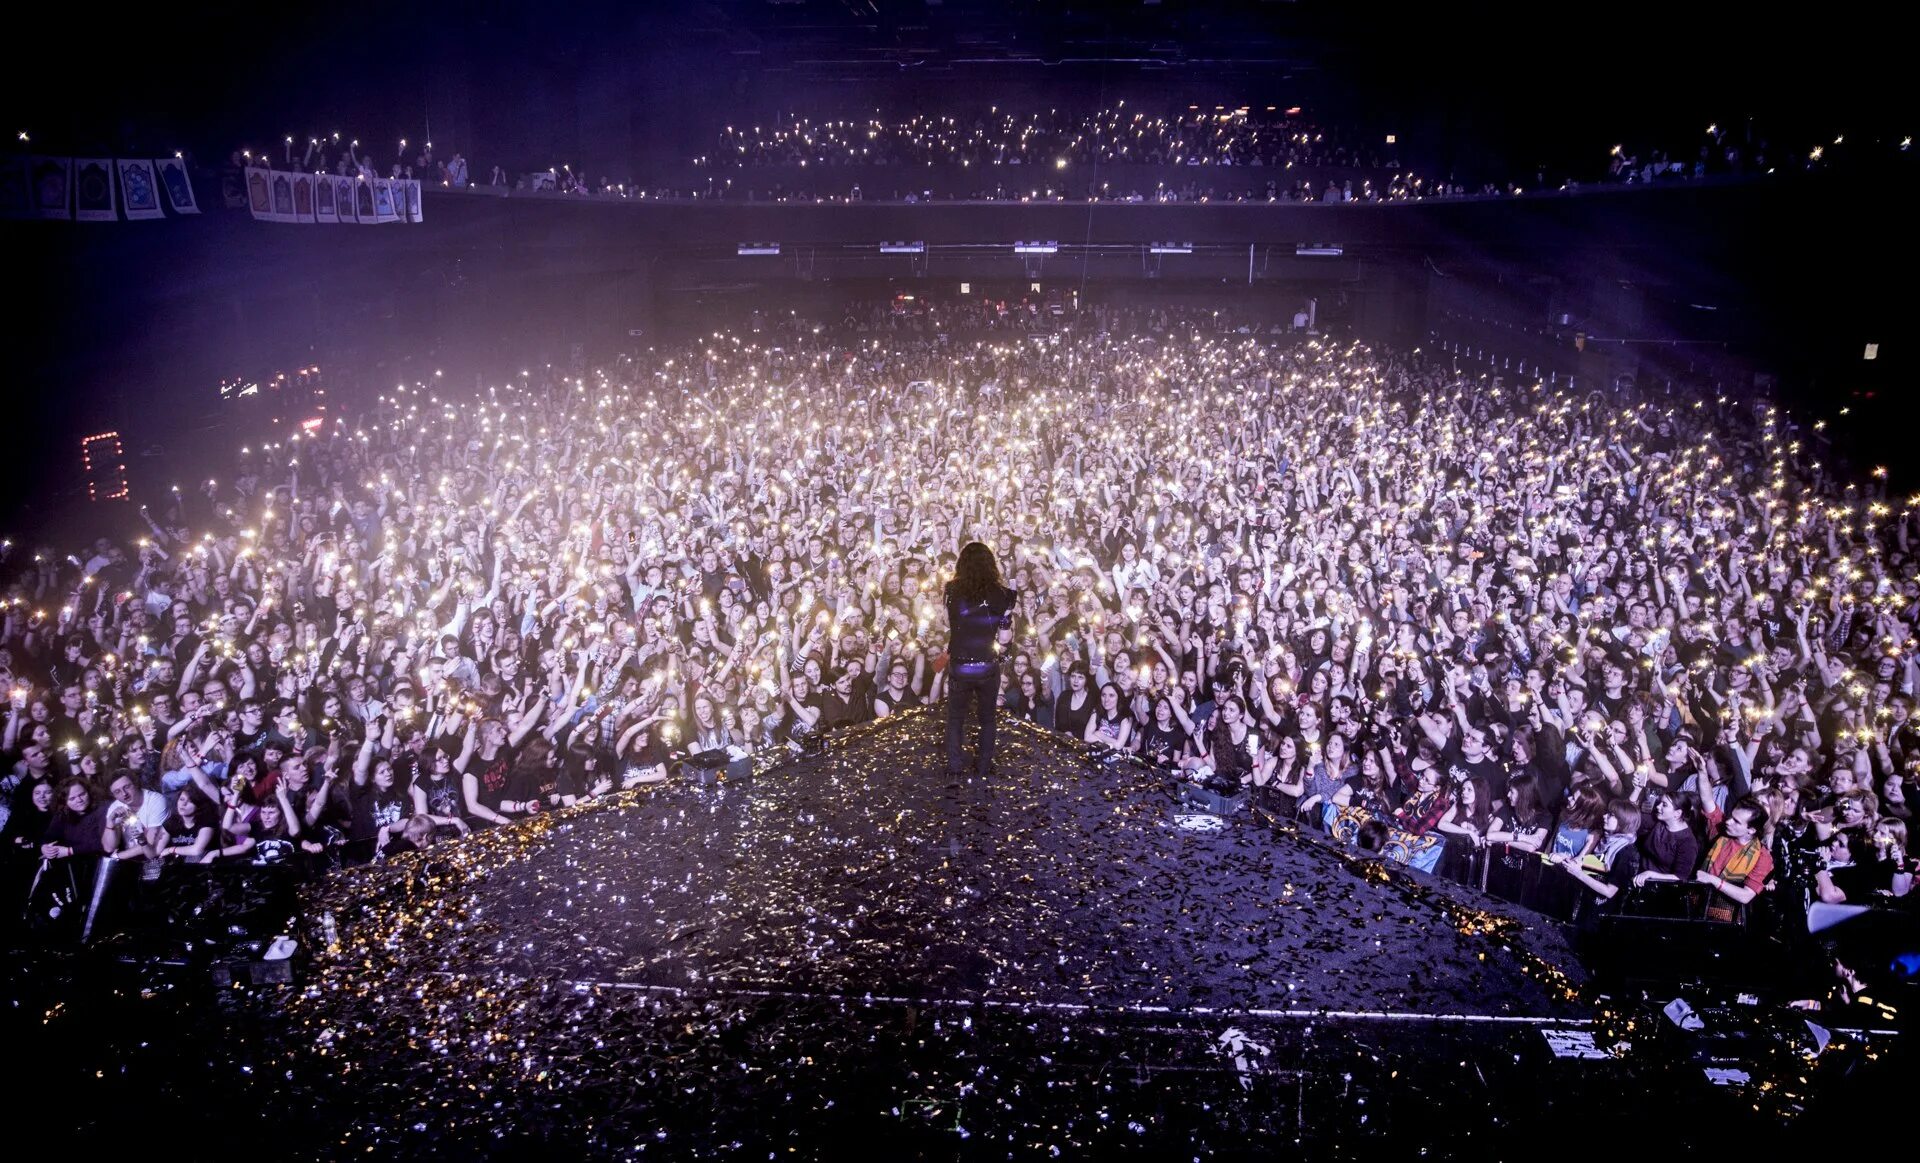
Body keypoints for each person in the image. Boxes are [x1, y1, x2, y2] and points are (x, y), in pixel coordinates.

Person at [943, 541, 1014, 777]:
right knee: (987, 719)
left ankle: (954, 767)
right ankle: (983, 766)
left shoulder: (951, 590)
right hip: (986, 664)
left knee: (955, 718)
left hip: (960, 663)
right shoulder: (1003, 595)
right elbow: (1004, 638)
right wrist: (1003, 621)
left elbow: (946, 623)